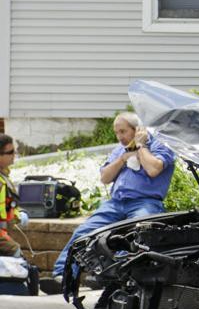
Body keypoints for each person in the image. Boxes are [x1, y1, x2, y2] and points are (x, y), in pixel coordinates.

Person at [52, 113, 176, 282]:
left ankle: (116, 276)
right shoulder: (120, 149)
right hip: (116, 203)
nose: (120, 137)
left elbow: (154, 169)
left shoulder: (159, 145)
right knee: (84, 232)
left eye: (123, 131)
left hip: (144, 203)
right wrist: (122, 159)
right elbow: (105, 177)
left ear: (137, 129)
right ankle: (63, 274)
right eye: (117, 132)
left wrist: (141, 146)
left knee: (137, 233)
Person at [0, 133, 27, 258]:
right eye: (10, 152)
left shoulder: (4, 177)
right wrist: (11, 248)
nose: (14, 155)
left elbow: (6, 206)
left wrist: (18, 214)